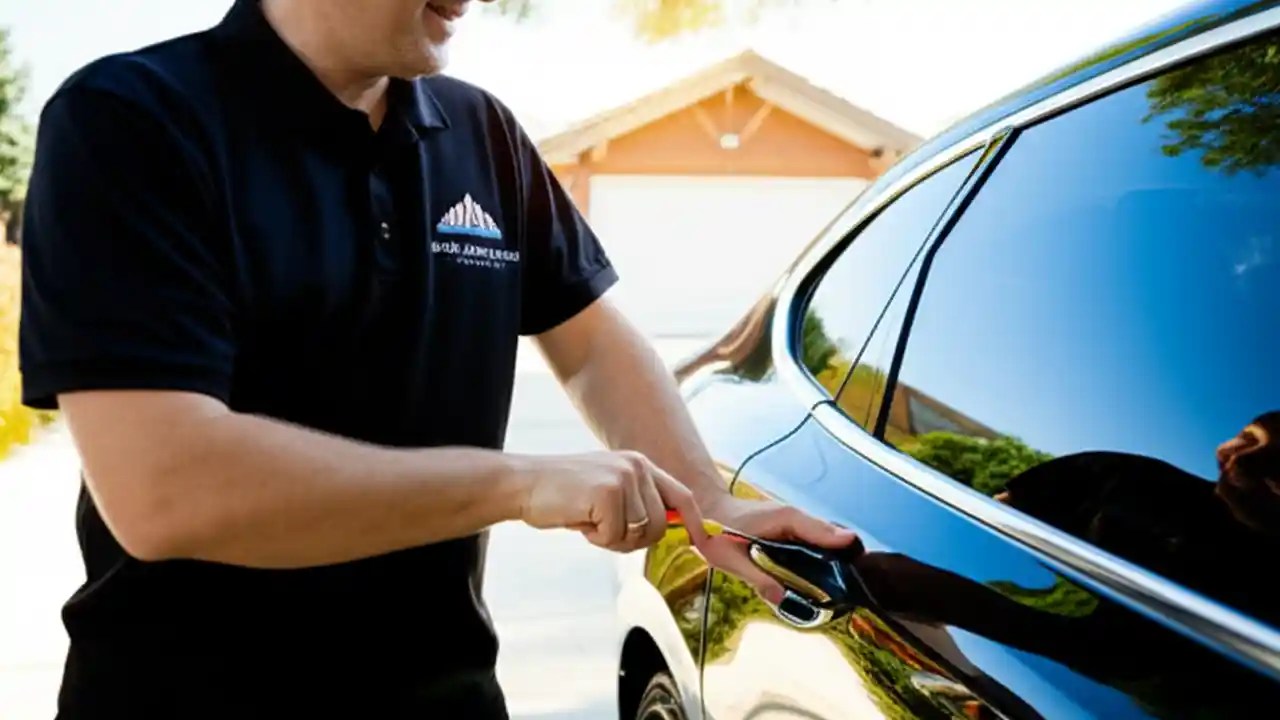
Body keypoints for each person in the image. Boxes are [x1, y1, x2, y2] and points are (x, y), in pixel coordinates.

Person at [18, 0, 856, 717]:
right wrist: (521, 485)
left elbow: (592, 341)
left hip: (446, 696)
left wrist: (710, 501)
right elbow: (166, 489)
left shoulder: (480, 132)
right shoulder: (128, 120)